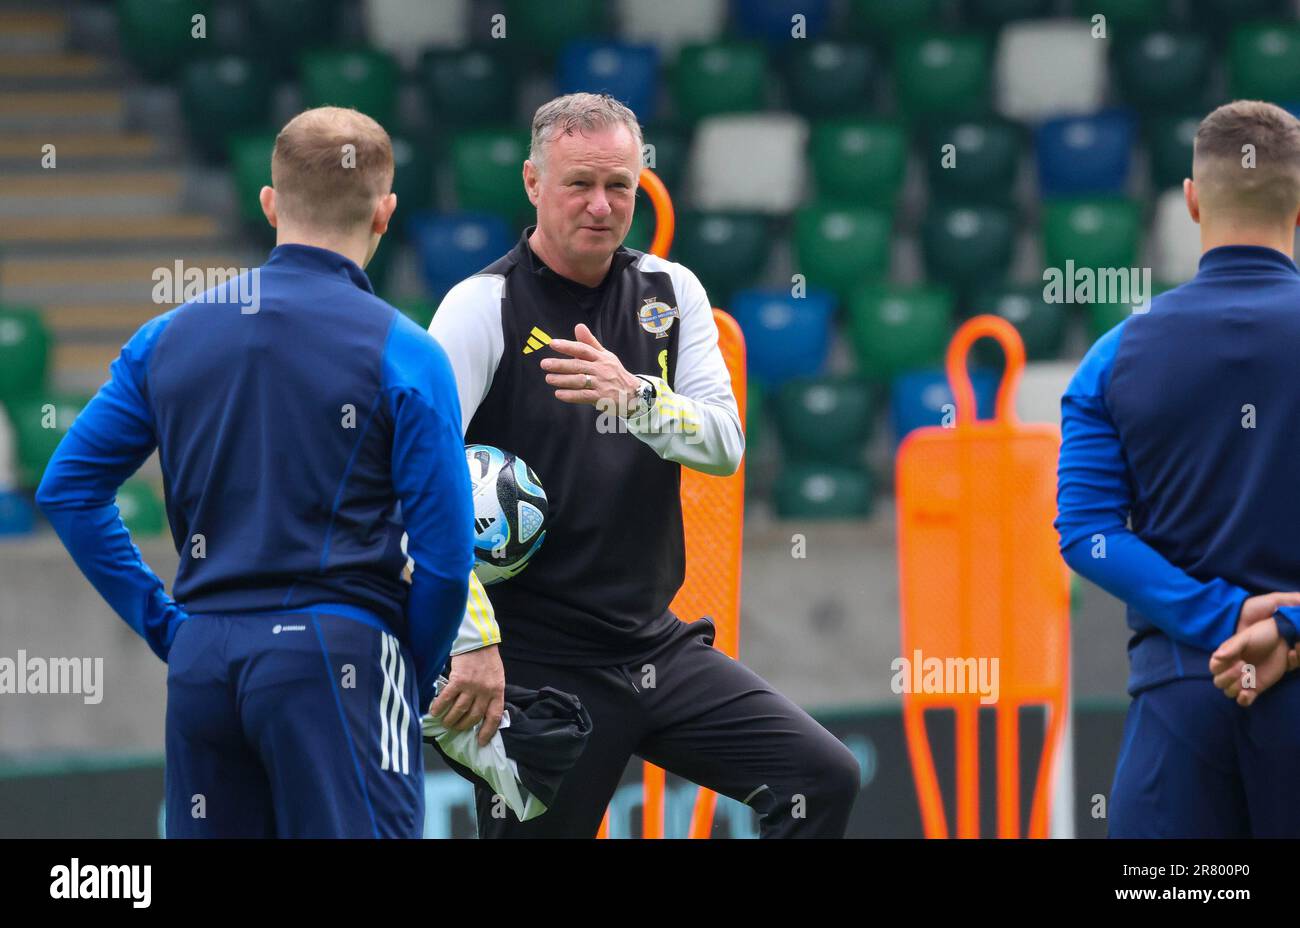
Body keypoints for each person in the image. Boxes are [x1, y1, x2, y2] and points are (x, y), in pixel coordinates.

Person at [427, 92, 860, 838]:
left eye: (619, 185)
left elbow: (725, 444)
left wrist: (636, 398)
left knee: (819, 780)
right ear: (533, 183)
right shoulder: (479, 307)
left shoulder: (672, 291)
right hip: (539, 665)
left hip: (655, 645)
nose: (601, 205)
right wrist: (471, 642)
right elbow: (418, 485)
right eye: (579, 184)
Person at [36, 107, 474, 837]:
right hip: (341, 662)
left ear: (269, 202)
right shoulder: (407, 351)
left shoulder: (165, 337)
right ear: (386, 213)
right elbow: (446, 560)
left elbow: (68, 489)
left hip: (205, 662)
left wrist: (168, 627)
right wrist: (410, 667)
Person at [1056, 100, 1300, 838]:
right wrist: (1287, 625)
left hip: (1181, 710)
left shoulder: (1112, 356)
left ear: (1191, 203)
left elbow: (1087, 534)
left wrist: (1221, 618)